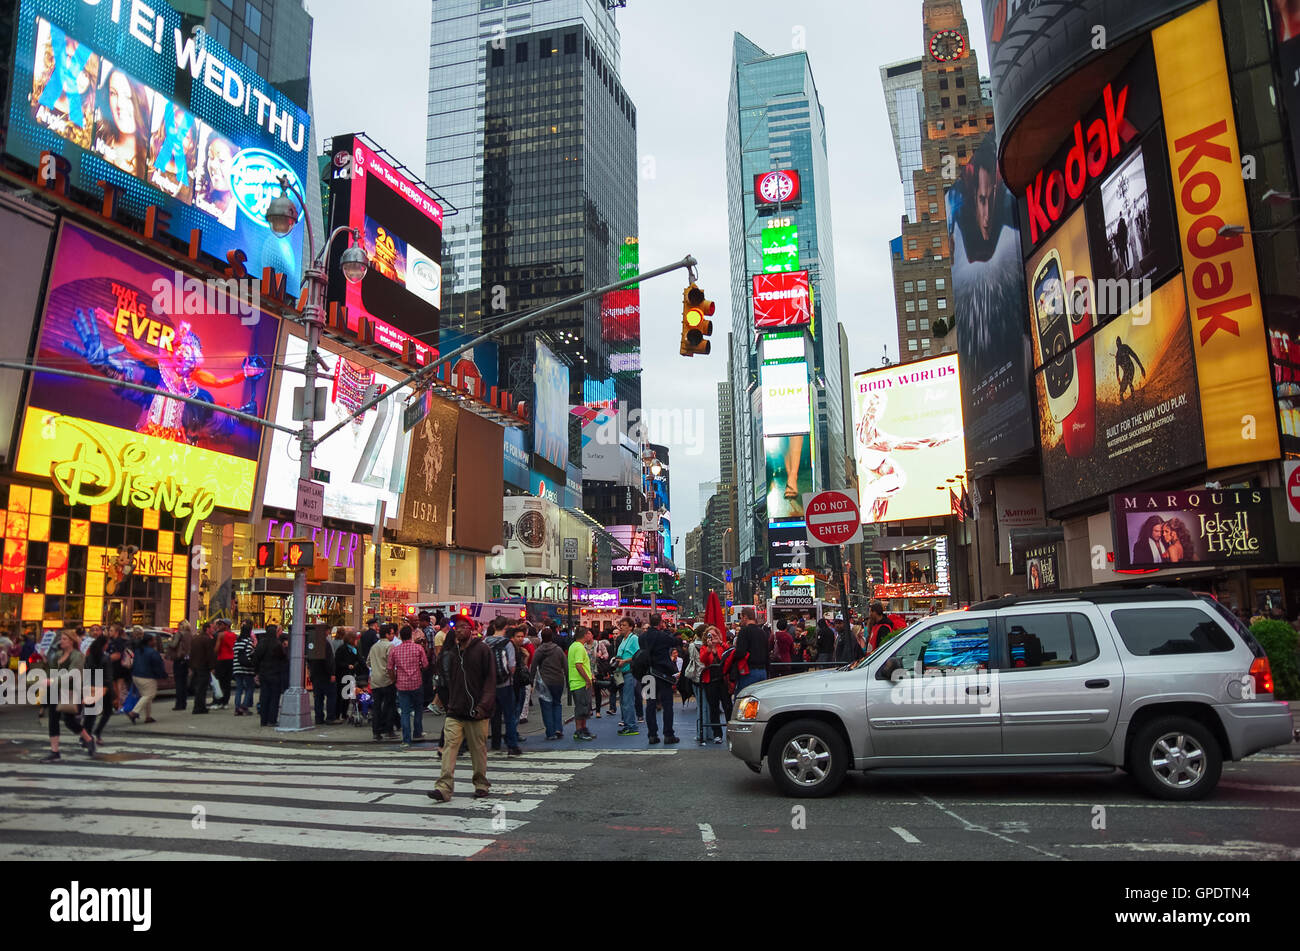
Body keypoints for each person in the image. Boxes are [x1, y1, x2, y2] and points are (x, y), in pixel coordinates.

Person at [428, 617, 496, 803]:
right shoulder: (453, 653)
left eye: (462, 627)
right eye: (455, 628)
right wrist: (447, 701)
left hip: (477, 711)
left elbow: (490, 681)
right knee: (450, 747)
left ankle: (481, 784)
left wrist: (483, 706)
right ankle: (443, 787)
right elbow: (445, 679)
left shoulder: (482, 650)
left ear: (471, 629)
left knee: (478, 750)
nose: (457, 630)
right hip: (456, 709)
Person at [39, 630, 98, 762]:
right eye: (61, 639)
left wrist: (54, 681)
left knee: (69, 721)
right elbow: (51, 671)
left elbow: (72, 674)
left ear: (71, 641)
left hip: (71, 691)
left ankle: (88, 739)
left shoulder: (78, 656)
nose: (61, 641)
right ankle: (55, 751)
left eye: (65, 639)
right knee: (53, 719)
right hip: (56, 690)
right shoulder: (57, 655)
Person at [640, 613, 681, 746]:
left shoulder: (642, 637)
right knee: (667, 704)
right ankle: (668, 734)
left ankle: (652, 734)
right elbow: (675, 642)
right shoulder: (663, 636)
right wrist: (667, 630)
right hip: (663, 675)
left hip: (647, 674)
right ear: (660, 623)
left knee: (650, 705)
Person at [485, 618, 523, 755]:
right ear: (505, 628)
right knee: (509, 715)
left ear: (494, 626)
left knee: (494, 715)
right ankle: (512, 744)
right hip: (505, 683)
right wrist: (508, 676)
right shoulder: (507, 643)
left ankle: (495, 743)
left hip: (489, 685)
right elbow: (512, 666)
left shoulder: (485, 642)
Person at [388, 625, 428, 749]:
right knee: (418, 709)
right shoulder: (418, 648)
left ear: (400, 636)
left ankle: (406, 739)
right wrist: (419, 667)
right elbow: (425, 664)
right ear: (411, 635)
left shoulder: (395, 650)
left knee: (405, 712)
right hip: (416, 682)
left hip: (402, 684)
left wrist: (395, 679)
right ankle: (417, 732)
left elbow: (390, 668)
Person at [530, 627, 567, 740]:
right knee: (557, 704)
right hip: (558, 680)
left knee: (546, 707)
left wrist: (531, 681)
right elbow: (565, 666)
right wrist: (568, 680)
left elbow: (533, 667)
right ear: (552, 637)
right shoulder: (558, 650)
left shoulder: (539, 650)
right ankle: (558, 728)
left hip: (544, 681)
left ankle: (550, 732)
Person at [83, 627, 114, 743]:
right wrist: (110, 689)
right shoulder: (105, 658)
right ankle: (97, 732)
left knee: (90, 714)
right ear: (104, 645)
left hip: (90, 686)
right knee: (107, 712)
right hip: (103, 688)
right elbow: (108, 676)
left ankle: (86, 735)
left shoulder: (89, 657)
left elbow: (86, 672)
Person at [367, 624, 398, 740]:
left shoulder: (374, 647)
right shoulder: (390, 646)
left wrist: (375, 667)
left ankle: (376, 731)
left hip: (375, 680)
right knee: (389, 705)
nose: (393, 635)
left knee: (377, 706)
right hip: (387, 679)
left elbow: (368, 662)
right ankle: (388, 730)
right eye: (391, 633)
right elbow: (392, 664)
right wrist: (393, 677)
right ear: (386, 634)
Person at [611, 617, 641, 736]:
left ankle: (632, 726)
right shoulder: (622, 639)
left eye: (624, 625)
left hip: (629, 673)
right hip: (620, 673)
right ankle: (627, 724)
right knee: (623, 700)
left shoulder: (634, 639)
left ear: (630, 627)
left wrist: (625, 661)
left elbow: (638, 655)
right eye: (621, 625)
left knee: (628, 700)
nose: (621, 627)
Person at [252, 622, 286, 727]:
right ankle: (272, 720)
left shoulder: (262, 643)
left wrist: (257, 672)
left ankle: (264, 720)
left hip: (264, 673)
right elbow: (283, 658)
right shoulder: (277, 644)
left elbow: (256, 658)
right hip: (275, 674)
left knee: (264, 697)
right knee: (274, 698)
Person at [698, 626, 727, 743]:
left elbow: (728, 655)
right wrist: (710, 649)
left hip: (722, 680)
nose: (712, 638)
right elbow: (703, 659)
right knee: (714, 708)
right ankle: (717, 734)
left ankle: (730, 731)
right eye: (710, 636)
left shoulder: (722, 647)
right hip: (710, 681)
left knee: (727, 706)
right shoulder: (704, 648)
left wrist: (719, 643)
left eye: (714, 635)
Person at [128, 633, 164, 723]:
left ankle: (148, 717)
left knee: (146, 695)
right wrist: (162, 675)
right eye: (153, 640)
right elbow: (158, 665)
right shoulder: (152, 652)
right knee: (149, 695)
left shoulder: (138, 650)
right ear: (149, 642)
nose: (155, 641)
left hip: (136, 675)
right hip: (147, 676)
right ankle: (134, 712)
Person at [307, 623, 339, 725]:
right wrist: (332, 673)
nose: (329, 633)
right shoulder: (325, 644)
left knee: (318, 698)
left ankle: (318, 718)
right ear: (325, 631)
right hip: (325, 675)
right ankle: (330, 717)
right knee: (331, 695)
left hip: (316, 674)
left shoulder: (313, 642)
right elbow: (328, 661)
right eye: (328, 630)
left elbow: (309, 659)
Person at [568, 627, 596, 742]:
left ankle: (583, 729)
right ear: (585, 635)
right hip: (580, 682)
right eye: (588, 633)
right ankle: (579, 730)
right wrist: (587, 679)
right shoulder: (579, 648)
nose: (590, 636)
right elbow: (579, 665)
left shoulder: (574, 646)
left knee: (584, 707)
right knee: (581, 707)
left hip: (577, 681)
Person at [732, 608, 769, 692]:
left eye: (741, 617)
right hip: (762, 671)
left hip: (748, 671)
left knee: (744, 698)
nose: (740, 620)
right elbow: (767, 653)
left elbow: (740, 652)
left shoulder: (744, 631)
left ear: (745, 617)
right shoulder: (762, 632)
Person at [334, 629, 361, 719]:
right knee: (340, 695)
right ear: (351, 640)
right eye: (355, 639)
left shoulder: (354, 649)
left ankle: (344, 713)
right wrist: (347, 665)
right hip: (342, 675)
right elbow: (337, 662)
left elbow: (359, 660)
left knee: (347, 695)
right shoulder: (342, 649)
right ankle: (337, 714)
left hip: (350, 675)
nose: (357, 641)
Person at [189, 621, 215, 714]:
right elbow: (210, 655)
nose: (213, 630)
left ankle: (198, 706)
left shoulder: (195, 638)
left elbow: (191, 653)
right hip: (203, 666)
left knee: (198, 687)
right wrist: (212, 667)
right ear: (207, 629)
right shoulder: (207, 640)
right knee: (202, 688)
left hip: (196, 666)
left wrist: (191, 666)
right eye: (212, 628)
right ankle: (199, 707)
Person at [231, 622, 256, 717]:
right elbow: (250, 654)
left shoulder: (237, 642)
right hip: (246, 668)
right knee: (249, 688)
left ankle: (237, 708)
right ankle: (244, 706)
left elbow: (235, 654)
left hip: (237, 668)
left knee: (239, 689)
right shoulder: (248, 642)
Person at [167, 619, 192, 711]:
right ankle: (184, 703)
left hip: (179, 659)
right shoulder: (190, 635)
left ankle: (179, 704)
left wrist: (169, 640)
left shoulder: (179, 634)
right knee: (184, 682)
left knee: (178, 683)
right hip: (186, 660)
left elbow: (173, 645)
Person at [1115, 335, 1147, 402]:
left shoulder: (1125, 347)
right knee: (1121, 392)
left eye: (1119, 344)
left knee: (1129, 383)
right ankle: (1124, 405)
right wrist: (1118, 379)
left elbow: (1134, 355)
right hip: (1126, 372)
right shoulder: (1117, 355)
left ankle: (1133, 399)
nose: (1119, 346)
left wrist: (1141, 367)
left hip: (1131, 368)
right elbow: (1117, 369)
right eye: (1118, 345)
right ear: (1117, 345)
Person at [213, 619, 236, 709]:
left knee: (219, 681)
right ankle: (225, 702)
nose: (219, 626)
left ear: (226, 625)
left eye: (221, 624)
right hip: (231, 659)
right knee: (227, 682)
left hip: (222, 659)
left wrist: (213, 654)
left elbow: (217, 649)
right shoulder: (234, 635)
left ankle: (218, 701)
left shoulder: (221, 635)